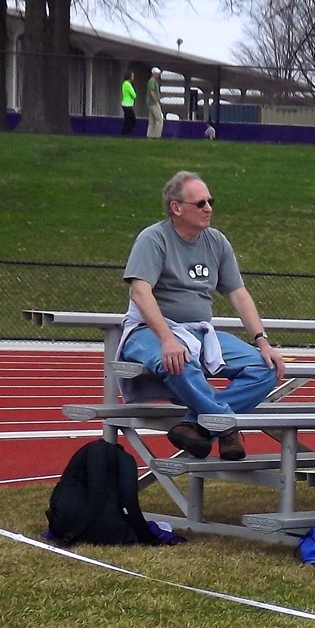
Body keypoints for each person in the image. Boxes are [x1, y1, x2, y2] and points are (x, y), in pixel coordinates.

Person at [119, 170, 285, 461]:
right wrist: (167, 339)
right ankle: (226, 427)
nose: (208, 208)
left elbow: (238, 294)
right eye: (200, 203)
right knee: (178, 359)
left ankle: (198, 425)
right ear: (176, 207)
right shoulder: (154, 238)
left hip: (199, 331)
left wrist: (262, 341)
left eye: (210, 201)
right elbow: (140, 293)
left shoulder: (216, 241)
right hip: (150, 330)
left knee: (266, 368)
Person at [146, 68, 164, 139]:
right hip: (153, 103)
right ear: (153, 74)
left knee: (152, 121)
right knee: (159, 120)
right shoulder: (152, 82)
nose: (158, 75)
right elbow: (152, 92)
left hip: (150, 103)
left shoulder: (151, 81)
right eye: (157, 74)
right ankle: (156, 135)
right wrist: (156, 101)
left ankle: (149, 135)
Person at [120, 70, 137, 136]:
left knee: (127, 120)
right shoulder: (128, 84)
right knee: (132, 120)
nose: (133, 77)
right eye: (132, 76)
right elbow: (134, 95)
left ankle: (124, 133)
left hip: (125, 104)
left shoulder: (124, 84)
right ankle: (126, 133)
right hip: (128, 105)